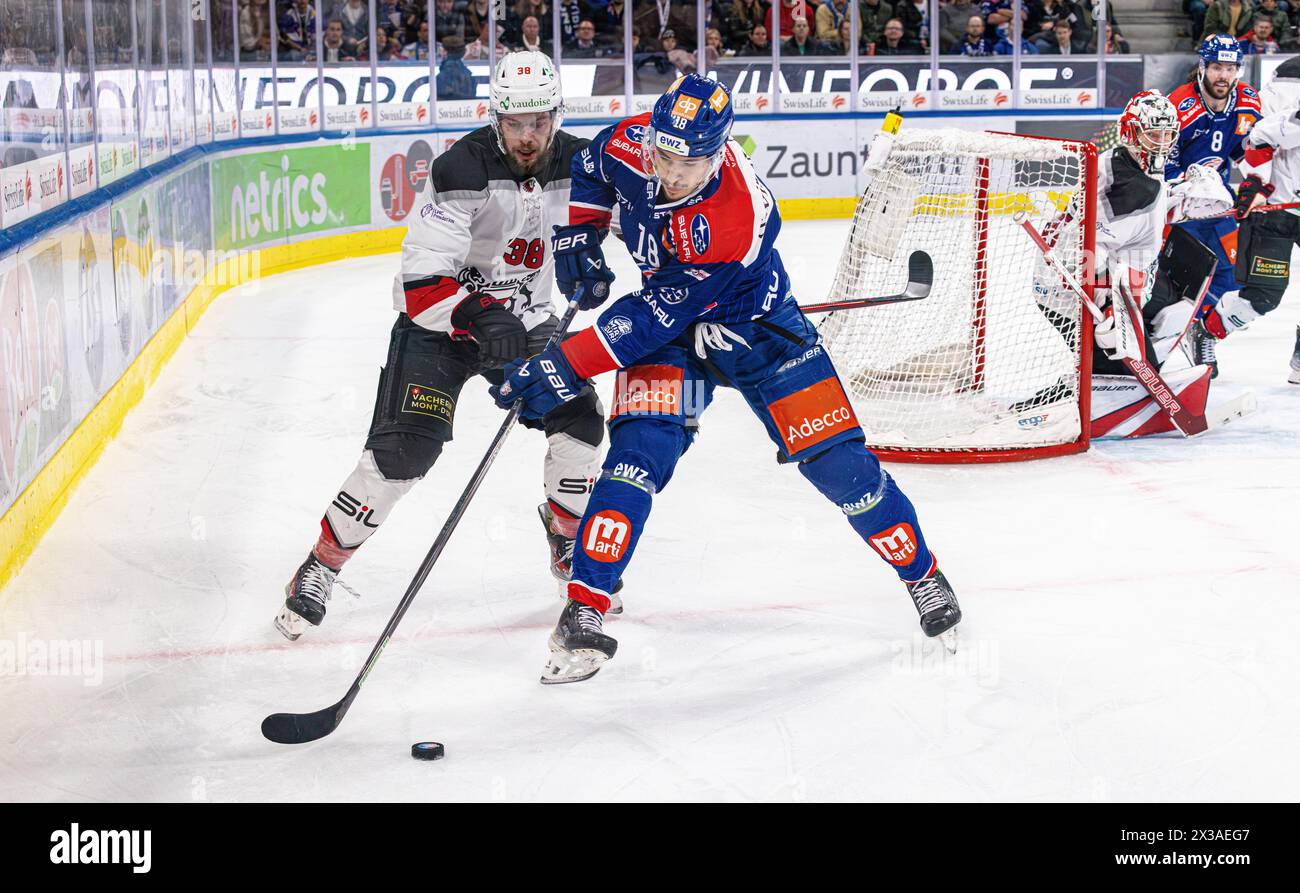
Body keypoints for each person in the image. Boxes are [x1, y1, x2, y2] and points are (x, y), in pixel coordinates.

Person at [495, 74, 963, 684]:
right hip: (673, 335)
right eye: (664, 154)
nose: (672, 171)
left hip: (760, 335)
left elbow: (647, 318)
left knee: (839, 467)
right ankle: (585, 609)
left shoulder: (736, 213)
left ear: (721, 150)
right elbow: (589, 168)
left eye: (689, 161)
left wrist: (565, 363)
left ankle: (922, 574)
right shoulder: (633, 143)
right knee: (638, 456)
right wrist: (578, 238)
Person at [275, 52, 609, 640]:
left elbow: (645, 202)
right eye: (514, 124)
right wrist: (480, 312)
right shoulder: (462, 167)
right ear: (494, 116)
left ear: (556, 115)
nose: (527, 138)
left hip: (528, 321)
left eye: (539, 123)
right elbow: (420, 278)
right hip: (441, 327)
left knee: (579, 420)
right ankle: (320, 565)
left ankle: (564, 535)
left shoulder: (584, 162)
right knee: (403, 454)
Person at [1165, 34, 1261, 377]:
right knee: (1176, 284)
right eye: (1217, 67)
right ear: (1203, 67)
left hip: (1219, 205)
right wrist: (1187, 189)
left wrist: (1255, 179)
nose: (1224, 75)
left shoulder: (1248, 101)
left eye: (1231, 68)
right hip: (1180, 208)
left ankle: (1201, 330)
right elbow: (1163, 162)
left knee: (1235, 277)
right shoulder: (1179, 106)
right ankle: (1155, 347)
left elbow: (1245, 150)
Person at [1206, 81, 1300, 377]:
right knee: (1262, 296)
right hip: (1278, 212)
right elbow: (1258, 138)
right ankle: (1206, 333)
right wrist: (1258, 184)